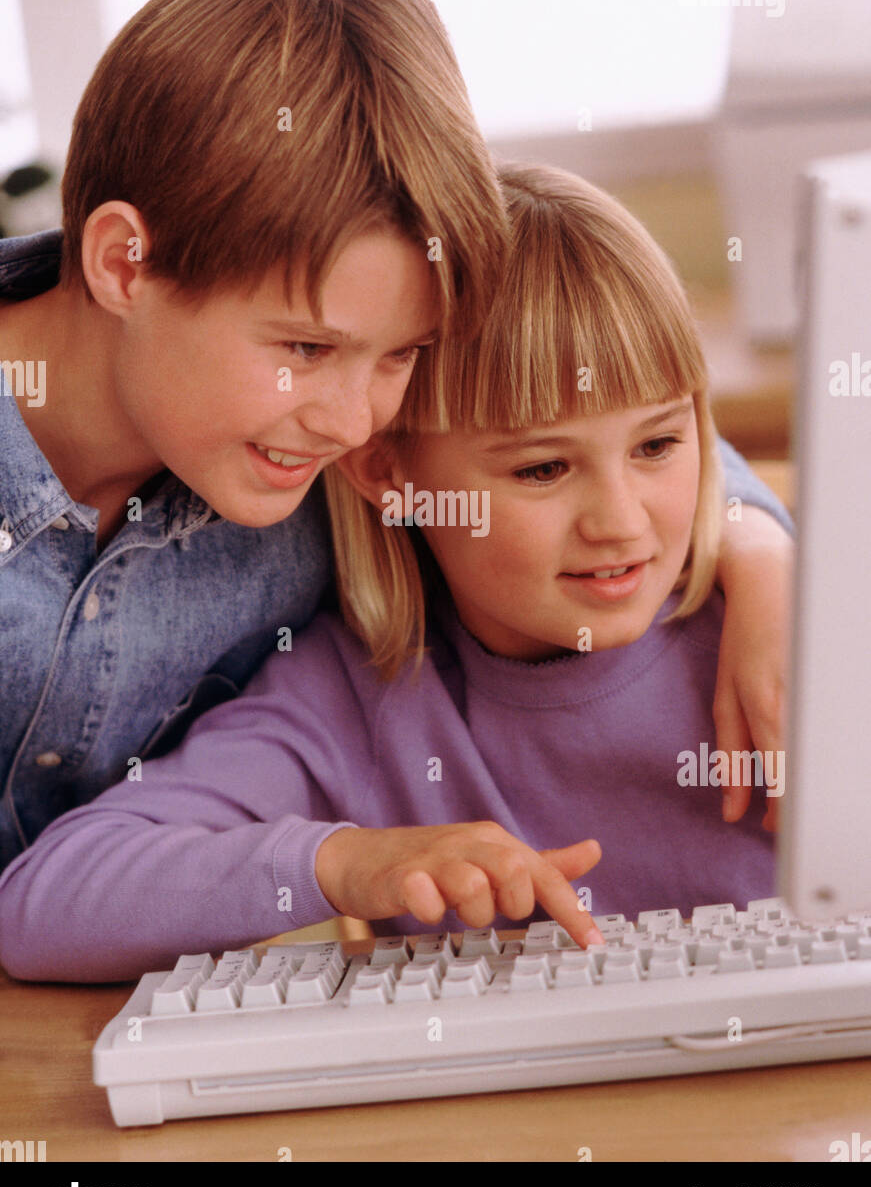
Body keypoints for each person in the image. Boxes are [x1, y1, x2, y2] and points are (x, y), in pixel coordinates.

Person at [0, 0, 791, 883]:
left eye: (402, 355)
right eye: (306, 350)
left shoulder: (329, 460)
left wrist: (762, 554)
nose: (354, 423)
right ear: (125, 263)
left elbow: (588, 441)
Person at [0, 164, 792, 982]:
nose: (621, 521)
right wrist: (344, 863)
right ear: (385, 472)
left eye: (657, 446)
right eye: (542, 471)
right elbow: (40, 905)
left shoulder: (777, 641)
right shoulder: (356, 699)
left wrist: (773, 563)